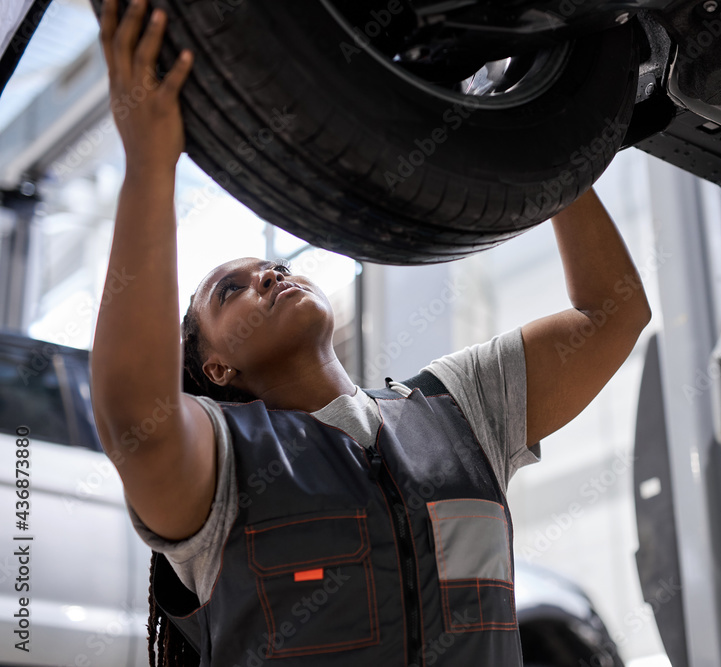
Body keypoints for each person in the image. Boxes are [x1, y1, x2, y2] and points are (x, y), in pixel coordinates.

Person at [89, 0, 652, 665]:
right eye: (230, 290)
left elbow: (614, 314)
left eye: (267, 265)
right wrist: (150, 164)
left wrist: (536, 131)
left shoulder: (460, 409)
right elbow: (139, 419)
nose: (266, 275)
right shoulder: (221, 473)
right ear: (216, 370)